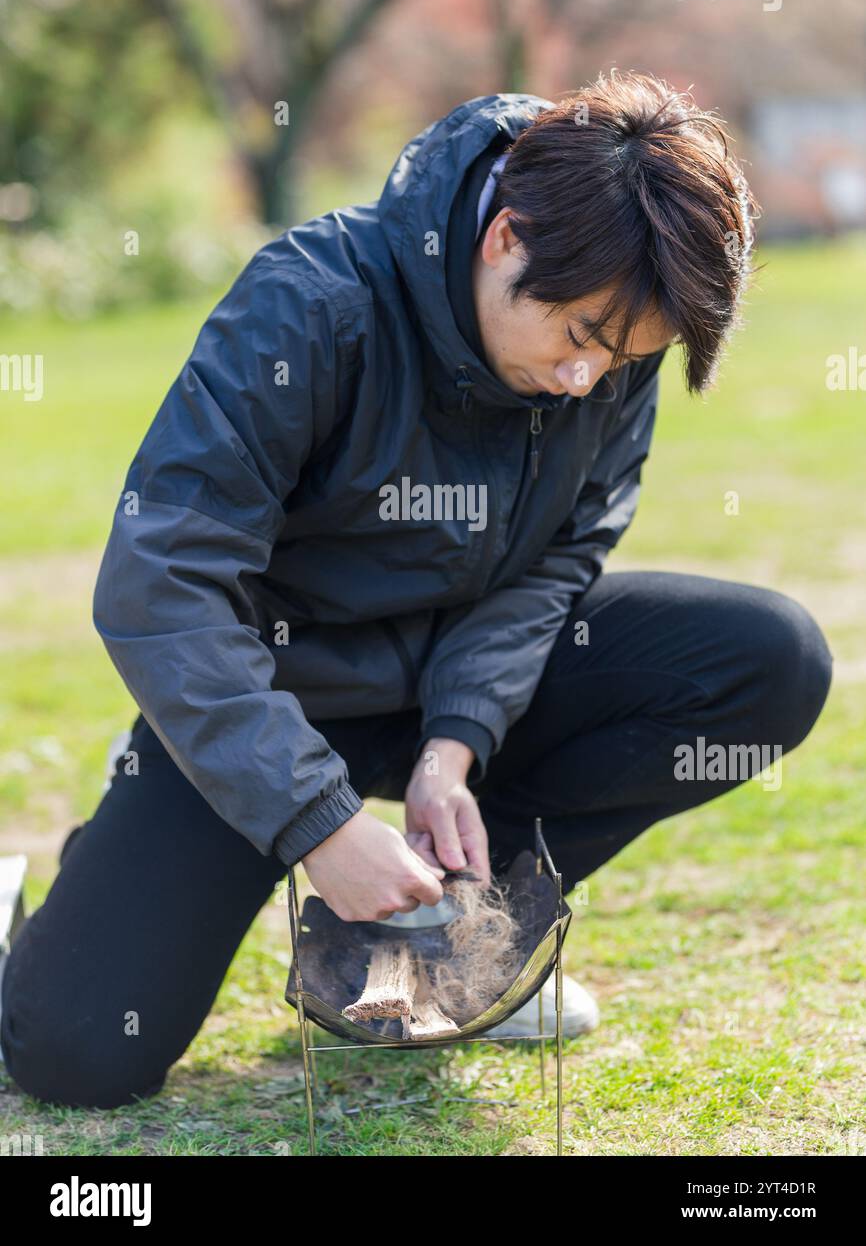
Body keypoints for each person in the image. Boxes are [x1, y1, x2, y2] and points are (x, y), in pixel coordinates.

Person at [0, 73, 832, 1109]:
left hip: (452, 691)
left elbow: (559, 557)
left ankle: (452, 950)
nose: (590, 382)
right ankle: (60, 901)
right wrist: (316, 818)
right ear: (502, 240)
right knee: (78, 1055)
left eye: (625, 360)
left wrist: (458, 740)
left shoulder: (610, 342)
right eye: (577, 339)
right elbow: (157, 584)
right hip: (272, 698)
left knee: (767, 658)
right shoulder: (310, 305)